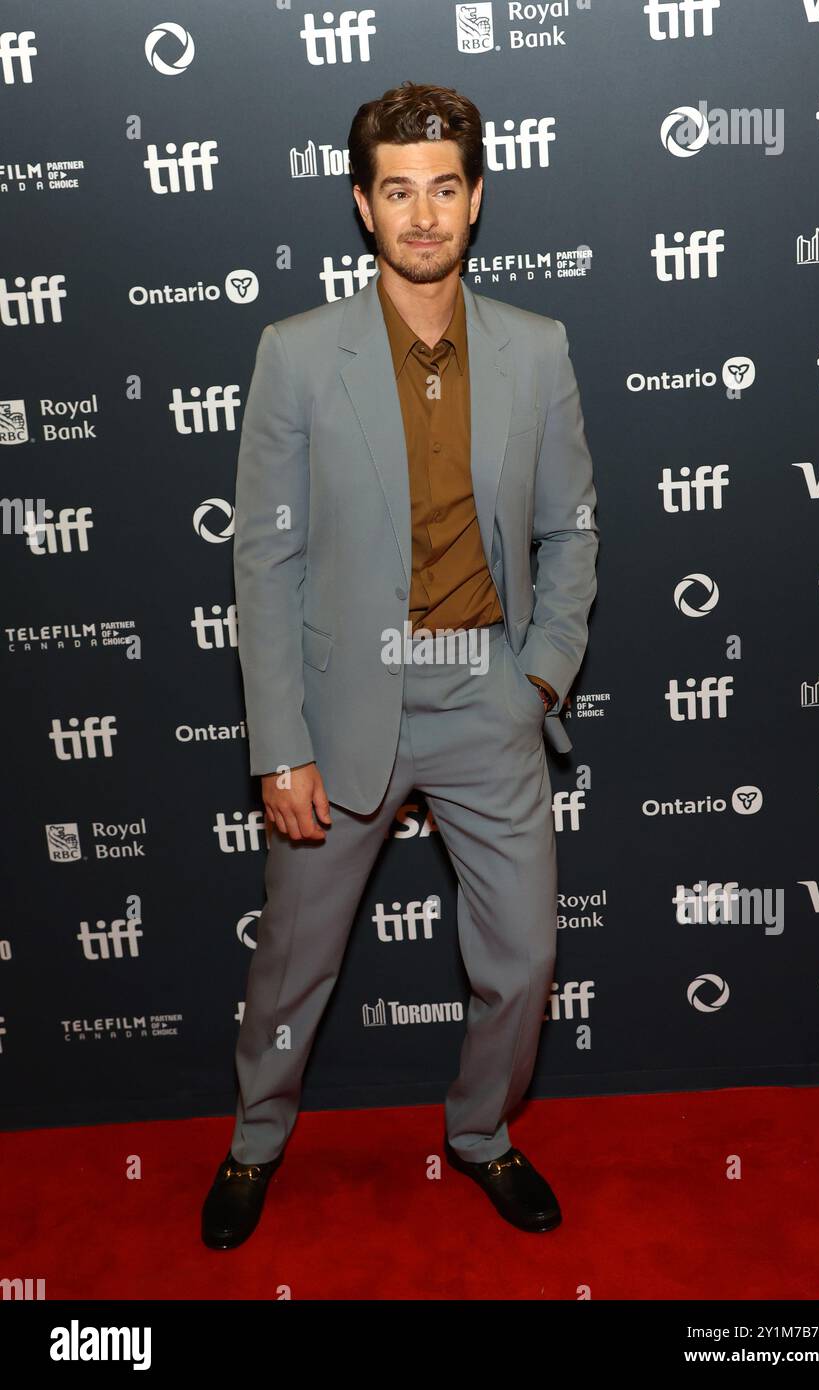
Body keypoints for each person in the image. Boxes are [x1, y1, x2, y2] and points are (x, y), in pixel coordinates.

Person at [201, 81, 599, 1250]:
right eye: (395, 191)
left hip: (486, 690)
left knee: (523, 957)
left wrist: (538, 676)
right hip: (339, 703)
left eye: (442, 189)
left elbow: (571, 527)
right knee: (292, 965)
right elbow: (262, 563)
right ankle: (252, 1140)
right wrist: (280, 742)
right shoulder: (294, 354)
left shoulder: (537, 348)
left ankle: (480, 1133)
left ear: (474, 199)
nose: (421, 215)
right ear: (363, 207)